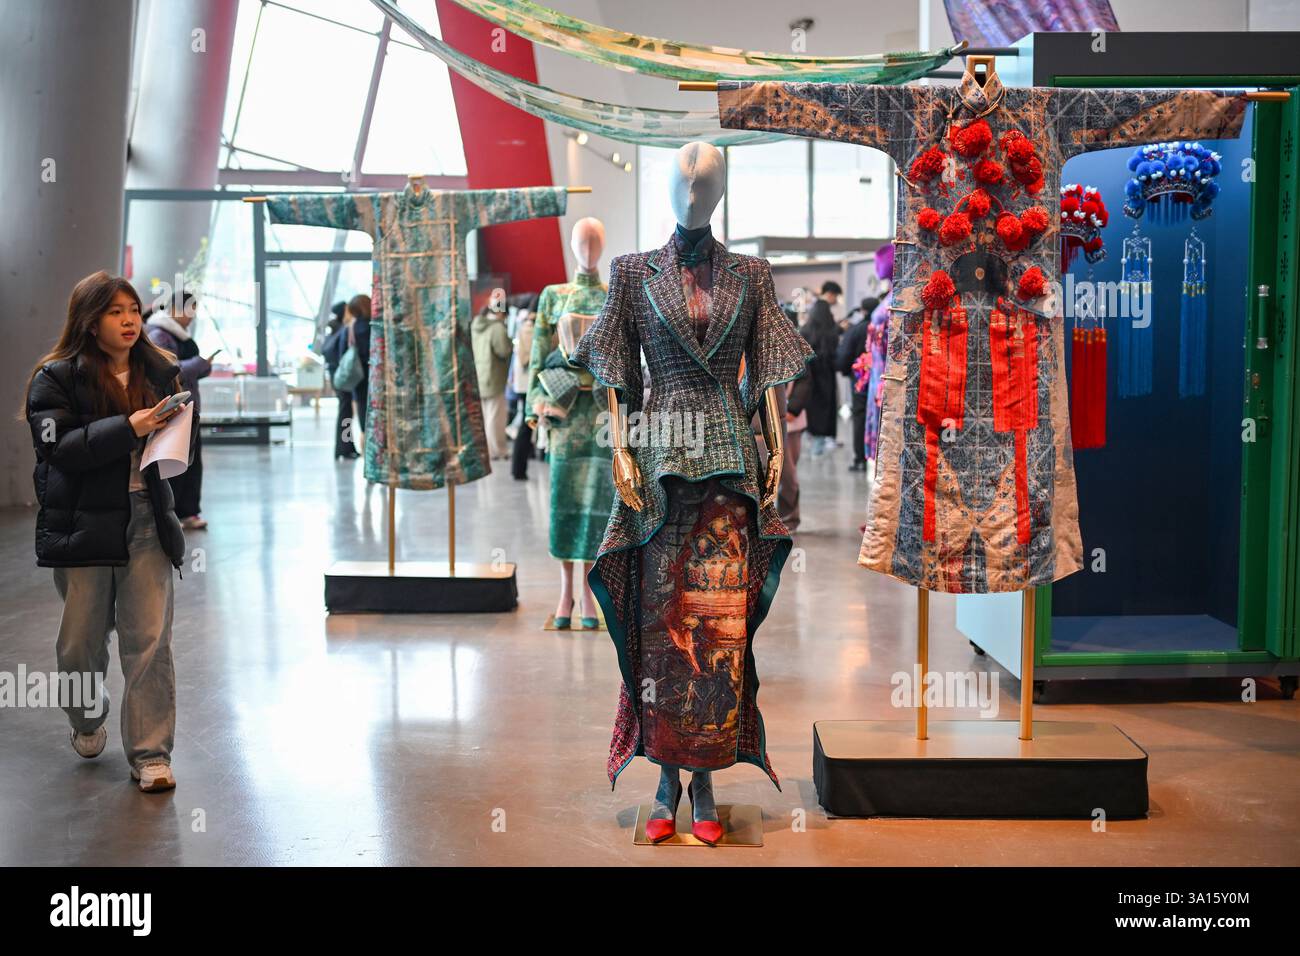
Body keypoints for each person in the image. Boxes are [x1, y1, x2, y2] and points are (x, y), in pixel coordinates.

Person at [23, 270, 196, 793]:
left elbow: (179, 439)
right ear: (89, 319)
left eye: (134, 310)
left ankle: (150, 755)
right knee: (80, 646)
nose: (128, 321)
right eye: (115, 311)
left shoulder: (160, 368)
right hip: (83, 527)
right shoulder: (54, 378)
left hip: (147, 518)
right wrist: (131, 427)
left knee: (148, 643)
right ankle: (85, 718)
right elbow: (61, 449)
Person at [145, 290, 215, 526]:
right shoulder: (158, 334)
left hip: (187, 407)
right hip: (173, 408)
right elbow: (168, 369)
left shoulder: (180, 335)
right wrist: (199, 362)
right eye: (189, 310)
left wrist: (204, 366)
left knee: (192, 462)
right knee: (175, 463)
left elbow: (190, 371)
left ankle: (187, 512)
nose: (192, 316)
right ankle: (172, 514)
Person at [836, 295, 880, 472]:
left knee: (860, 416)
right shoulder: (883, 325)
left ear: (862, 310)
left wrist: (847, 371)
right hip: (880, 377)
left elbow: (844, 355)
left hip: (861, 379)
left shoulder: (856, 330)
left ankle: (860, 458)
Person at [801, 280, 843, 454]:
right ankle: (820, 439)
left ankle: (817, 437)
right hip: (823, 366)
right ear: (831, 294)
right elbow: (826, 337)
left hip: (815, 366)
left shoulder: (816, 310)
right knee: (823, 402)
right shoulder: (823, 309)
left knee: (816, 401)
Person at [471, 303, 513, 460]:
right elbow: (503, 350)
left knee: (484, 416)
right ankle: (498, 450)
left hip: (479, 375)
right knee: (496, 416)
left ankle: (486, 449)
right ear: (501, 314)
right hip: (494, 376)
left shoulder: (477, 326)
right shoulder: (497, 328)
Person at [321, 301, 358, 460]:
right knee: (345, 413)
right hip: (344, 379)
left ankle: (346, 446)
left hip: (337, 378)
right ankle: (344, 447)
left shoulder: (332, 332)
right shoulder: (344, 330)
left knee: (345, 413)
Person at [344, 294, 372, 453]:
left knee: (360, 408)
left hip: (357, 374)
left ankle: (362, 440)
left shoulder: (352, 327)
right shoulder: (374, 326)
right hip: (372, 373)